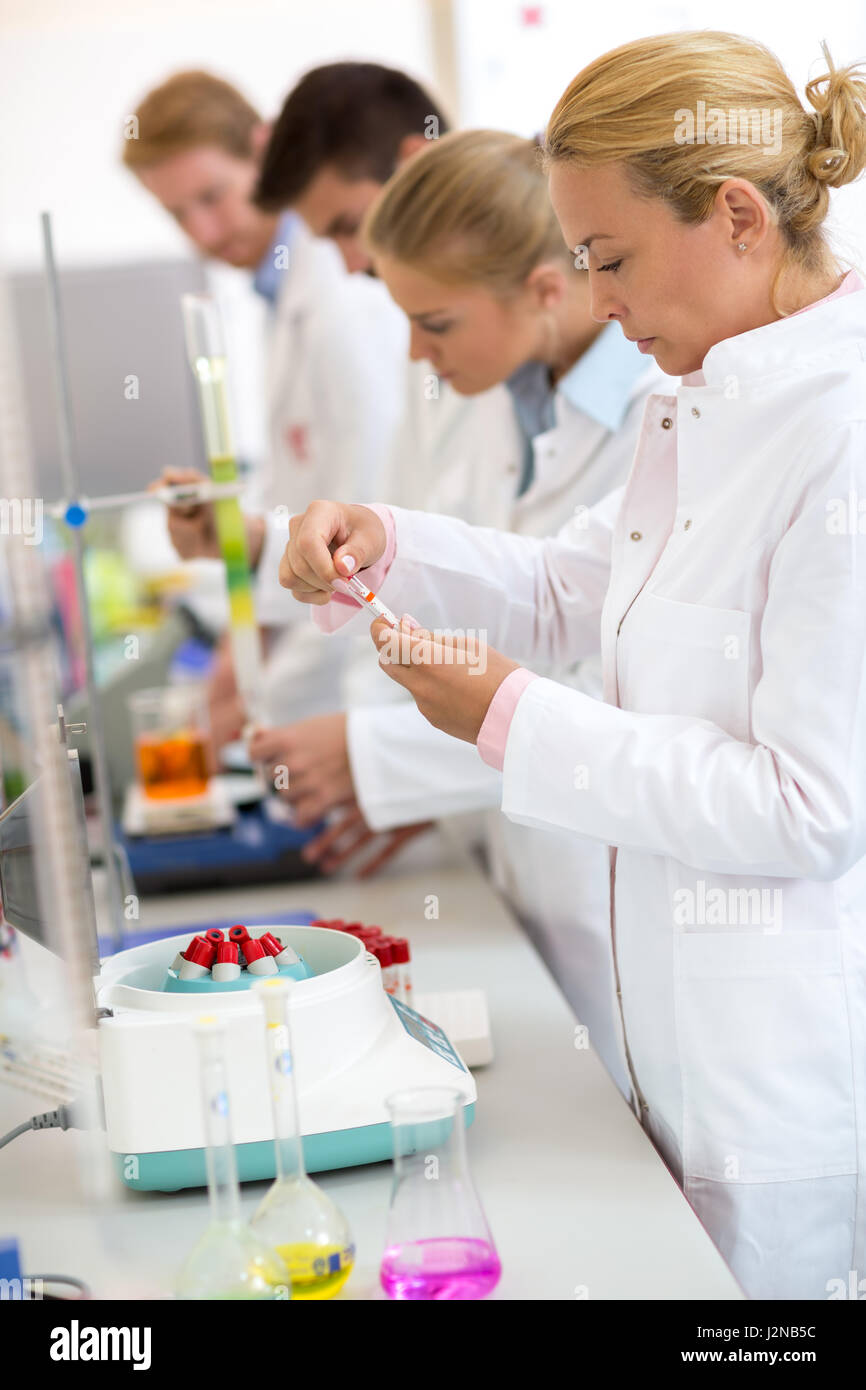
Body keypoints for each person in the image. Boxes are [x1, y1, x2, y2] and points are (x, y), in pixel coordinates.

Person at [275, 31, 866, 1300]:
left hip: (776, 1101)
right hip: (669, 1067)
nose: (595, 303)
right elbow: (568, 586)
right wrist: (394, 540)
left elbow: (807, 807)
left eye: (609, 260)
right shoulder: (705, 399)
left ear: (736, 215)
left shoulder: (838, 431)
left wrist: (506, 719)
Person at [250, 129, 677, 1094]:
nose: (412, 351)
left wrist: (378, 757)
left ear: (540, 288)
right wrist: (374, 547)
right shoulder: (507, 394)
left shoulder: (668, 409)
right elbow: (522, 589)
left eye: (434, 322)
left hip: (631, 883)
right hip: (534, 858)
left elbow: (594, 666)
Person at [123, 69, 410, 734]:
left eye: (212, 195)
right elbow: (305, 508)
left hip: (369, 694)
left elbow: (367, 526)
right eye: (177, 213)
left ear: (261, 152)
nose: (204, 228)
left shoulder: (342, 290)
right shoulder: (277, 300)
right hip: (338, 676)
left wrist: (267, 705)